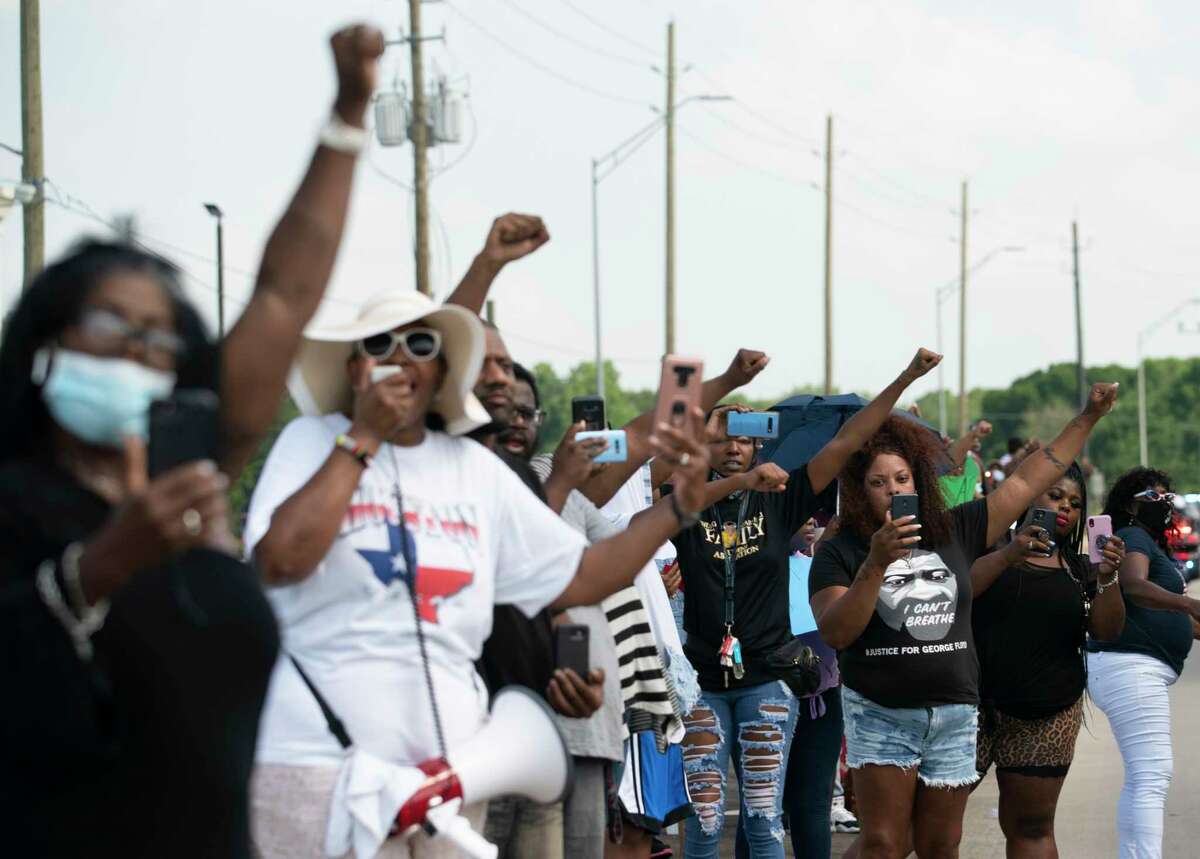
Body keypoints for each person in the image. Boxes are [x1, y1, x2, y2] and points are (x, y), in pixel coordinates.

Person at [0, 26, 384, 857]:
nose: (142, 352)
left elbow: (285, 294)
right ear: (44, 344)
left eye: (162, 339)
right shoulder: (12, 494)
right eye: (114, 328)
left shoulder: (199, 468)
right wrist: (96, 570)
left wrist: (349, 115)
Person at [245, 286, 713, 859]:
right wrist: (363, 436)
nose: (398, 358)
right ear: (351, 367)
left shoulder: (474, 470)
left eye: (419, 345)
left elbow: (582, 576)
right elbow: (280, 560)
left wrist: (677, 509)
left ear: (444, 370)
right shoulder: (312, 442)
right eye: (377, 345)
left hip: (450, 779)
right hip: (314, 770)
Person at [808, 382, 1118, 859]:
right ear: (857, 491)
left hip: (954, 714)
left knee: (940, 845)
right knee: (885, 844)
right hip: (882, 713)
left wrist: (1089, 417)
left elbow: (1027, 480)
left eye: (902, 478)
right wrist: (876, 563)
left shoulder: (955, 528)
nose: (893, 490)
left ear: (919, 482)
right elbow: (836, 631)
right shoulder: (840, 552)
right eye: (878, 482)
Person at [675, 348, 943, 859]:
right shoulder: (683, 501)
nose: (734, 447)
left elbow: (850, 440)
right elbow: (662, 453)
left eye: (745, 438)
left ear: (759, 443)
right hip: (704, 684)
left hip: (768, 682)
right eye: (720, 437)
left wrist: (905, 376)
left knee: (763, 823)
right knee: (704, 827)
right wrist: (730, 462)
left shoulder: (782, 495)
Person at [970, 461, 1127, 857]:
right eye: (1054, 496)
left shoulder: (1078, 568)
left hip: (1047, 715)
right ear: (1027, 494)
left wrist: (1108, 576)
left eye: (1074, 503)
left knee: (1031, 828)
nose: (1065, 509)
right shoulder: (987, 548)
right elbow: (960, 593)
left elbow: (1106, 631)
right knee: (923, 825)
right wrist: (1010, 553)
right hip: (968, 709)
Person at [1087, 467, 1199, 858]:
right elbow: (1133, 587)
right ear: (1130, 505)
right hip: (1130, 666)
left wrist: (1187, 618)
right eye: (1153, 496)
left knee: (1146, 776)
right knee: (1151, 775)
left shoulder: (1148, 540)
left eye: (1167, 497)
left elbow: (1169, 615)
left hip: (1133, 667)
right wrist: (1188, 601)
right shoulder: (1133, 535)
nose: (1164, 503)